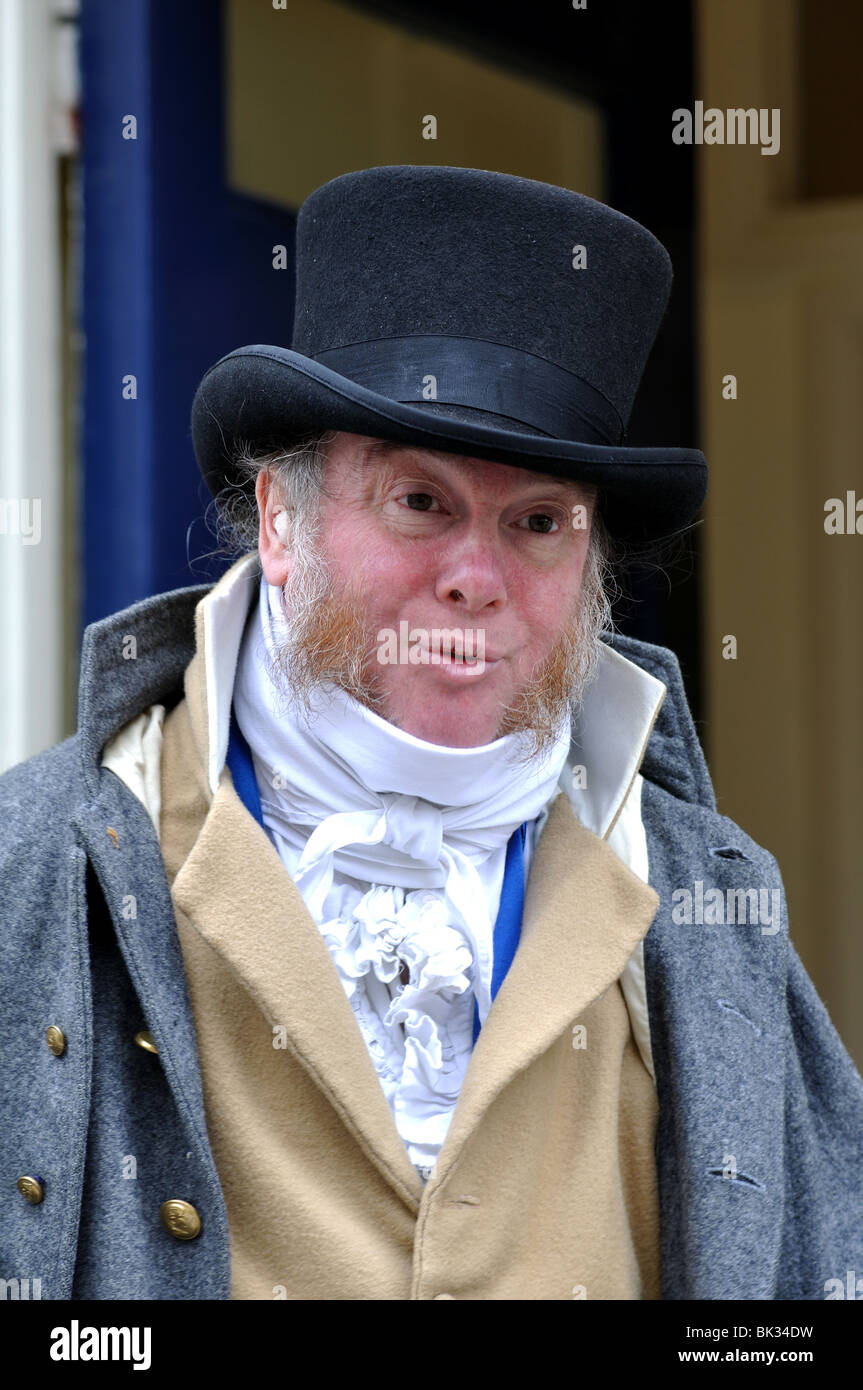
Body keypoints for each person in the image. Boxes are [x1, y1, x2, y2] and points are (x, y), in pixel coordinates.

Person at [2, 165, 861, 1302]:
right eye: (420, 501)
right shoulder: (30, 864)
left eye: (538, 522)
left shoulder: (714, 907)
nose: (475, 578)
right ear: (280, 517)